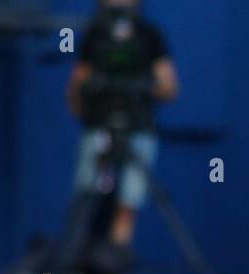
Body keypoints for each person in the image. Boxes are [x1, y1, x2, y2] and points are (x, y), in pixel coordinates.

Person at [66, 0, 178, 251]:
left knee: (128, 203)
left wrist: (144, 89)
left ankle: (115, 264)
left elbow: (170, 87)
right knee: (86, 197)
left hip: (138, 129)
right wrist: (88, 110)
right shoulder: (94, 33)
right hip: (98, 129)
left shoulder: (150, 35)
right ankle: (75, 266)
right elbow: (77, 84)